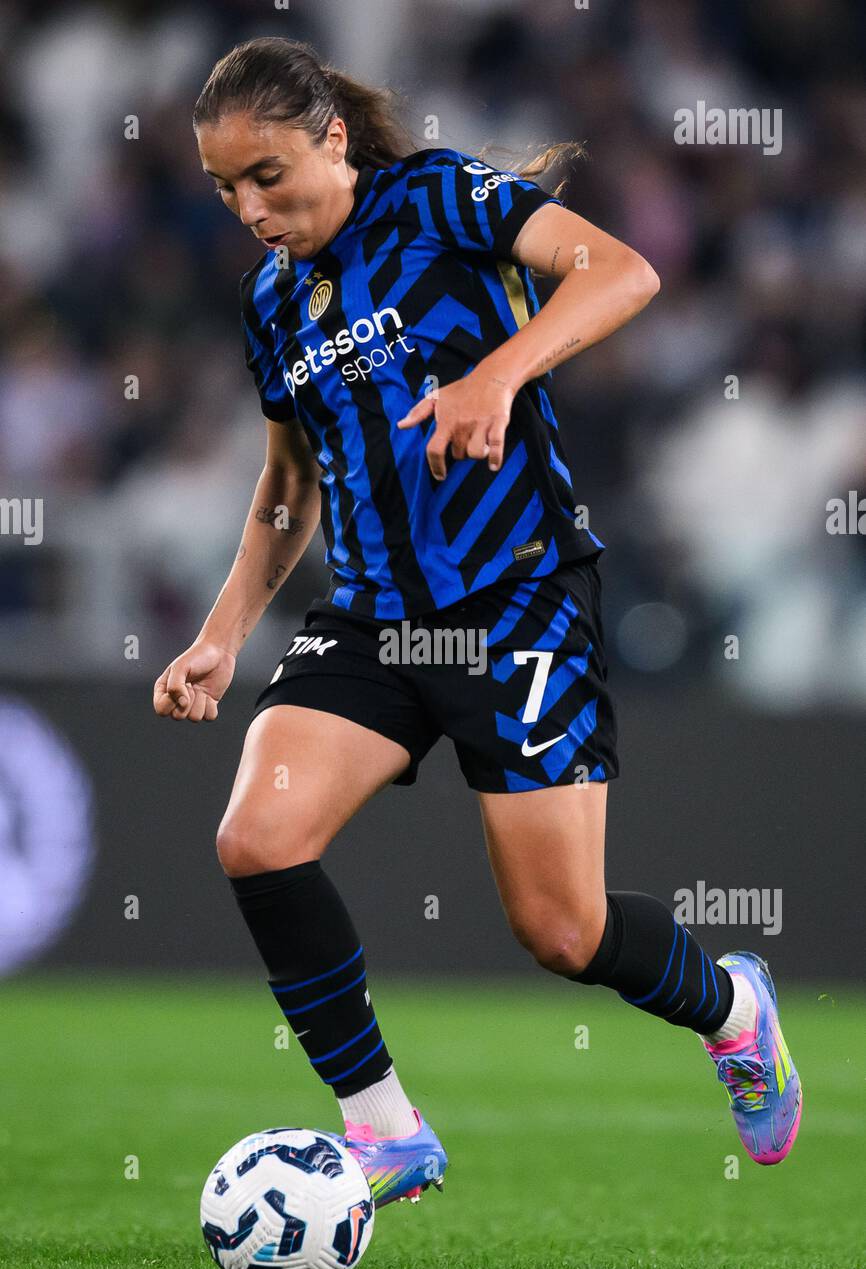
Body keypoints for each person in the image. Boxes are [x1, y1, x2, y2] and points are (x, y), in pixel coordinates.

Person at [153, 38, 802, 1207]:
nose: (250, 209)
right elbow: (288, 487)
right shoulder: (272, 303)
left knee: (562, 933)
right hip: (377, 621)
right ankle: (385, 1131)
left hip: (519, 600)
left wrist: (498, 375)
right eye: (223, 189)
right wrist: (221, 632)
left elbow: (621, 273)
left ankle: (734, 1006)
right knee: (256, 835)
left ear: (332, 139)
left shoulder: (441, 198)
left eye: (267, 176)